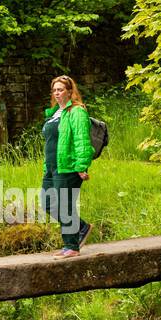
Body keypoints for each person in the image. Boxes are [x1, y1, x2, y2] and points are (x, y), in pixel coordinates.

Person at [40, 74, 92, 258]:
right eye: (54, 90)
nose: (57, 93)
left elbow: (82, 140)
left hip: (68, 166)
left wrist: (82, 165)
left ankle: (71, 247)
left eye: (60, 90)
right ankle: (81, 227)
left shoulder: (76, 112)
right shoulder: (53, 113)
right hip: (52, 167)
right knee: (47, 203)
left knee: (64, 205)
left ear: (70, 92)